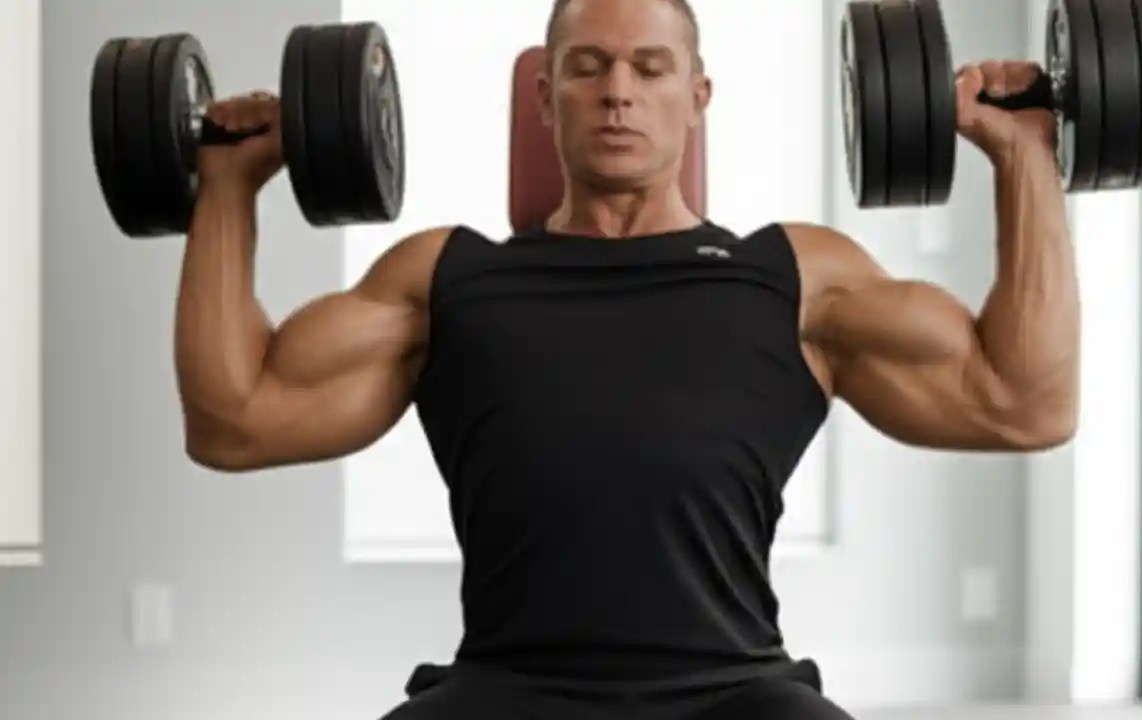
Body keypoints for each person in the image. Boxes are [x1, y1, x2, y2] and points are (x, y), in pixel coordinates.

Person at [177, 0, 1079, 717]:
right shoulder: (448, 278)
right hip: (506, 691)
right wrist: (225, 187)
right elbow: (234, 421)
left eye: (650, 69)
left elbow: (1022, 403)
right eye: (587, 66)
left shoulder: (796, 279)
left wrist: (1025, 159)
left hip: (735, 695)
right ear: (544, 98)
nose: (619, 91)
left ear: (698, 95)